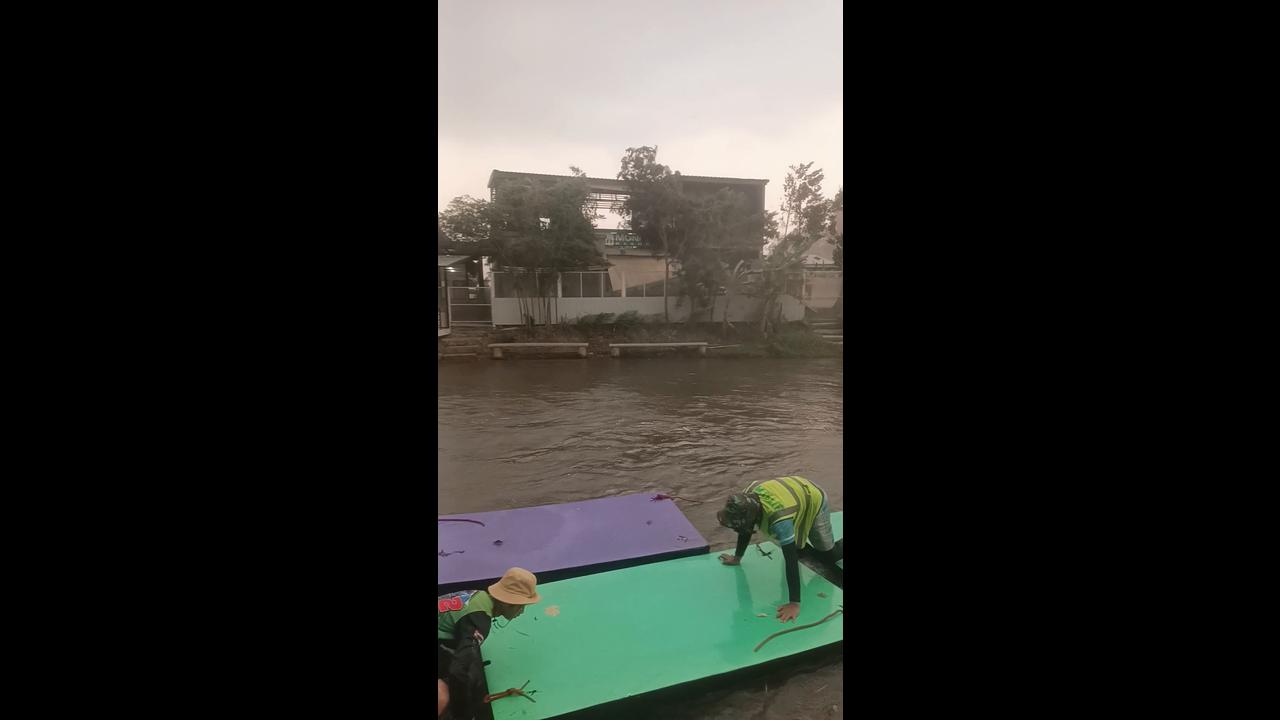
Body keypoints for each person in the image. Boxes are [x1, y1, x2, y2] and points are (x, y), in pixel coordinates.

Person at [716, 476, 842, 623]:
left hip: (813, 496)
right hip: (792, 493)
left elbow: (791, 559)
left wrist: (794, 603)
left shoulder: (779, 520)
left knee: (827, 555)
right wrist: (737, 557)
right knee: (792, 543)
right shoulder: (745, 498)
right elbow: (745, 528)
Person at [437, 567, 541, 719]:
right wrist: (464, 715)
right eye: (521, 605)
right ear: (508, 603)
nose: (522, 612)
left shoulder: (477, 595)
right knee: (443, 696)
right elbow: (458, 671)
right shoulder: (480, 620)